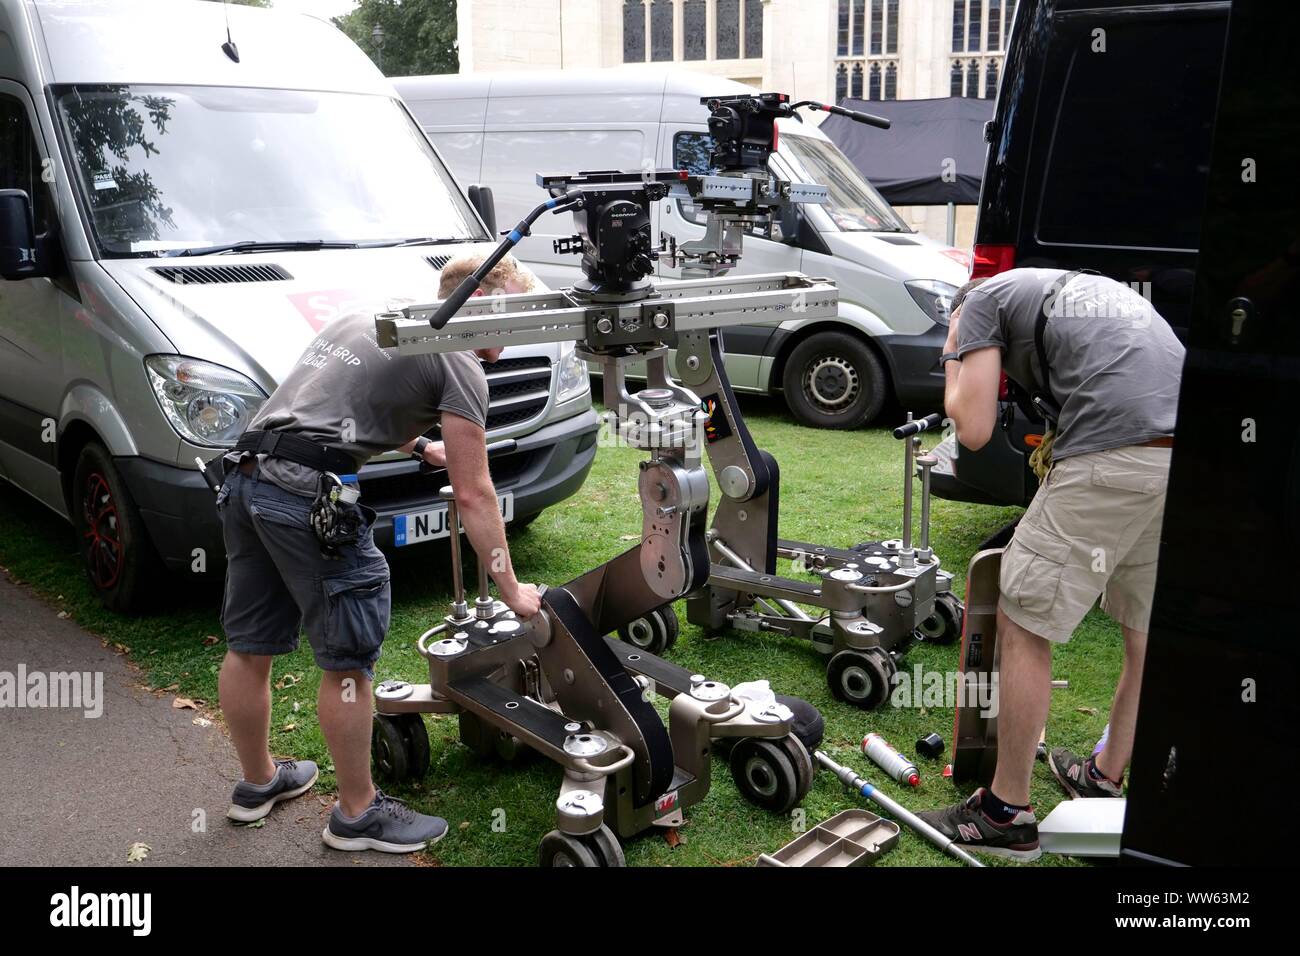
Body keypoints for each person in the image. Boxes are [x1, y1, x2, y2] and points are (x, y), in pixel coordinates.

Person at [216, 253, 540, 853]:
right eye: (516, 311)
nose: (521, 327)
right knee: (346, 662)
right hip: (304, 494)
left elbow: (341, 403)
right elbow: (475, 493)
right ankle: (357, 815)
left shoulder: (370, 318)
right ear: (483, 307)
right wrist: (513, 589)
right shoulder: (460, 359)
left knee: (248, 646)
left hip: (247, 476)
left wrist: (421, 444)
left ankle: (258, 783)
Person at [917, 268, 1184, 861]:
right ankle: (1104, 777)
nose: (950, 354)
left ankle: (1005, 812)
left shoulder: (981, 300)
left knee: (1023, 617)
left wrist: (957, 363)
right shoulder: (1061, 288)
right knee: (1144, 635)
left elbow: (975, 426)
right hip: (1179, 451)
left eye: (950, 346)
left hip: (1117, 445)